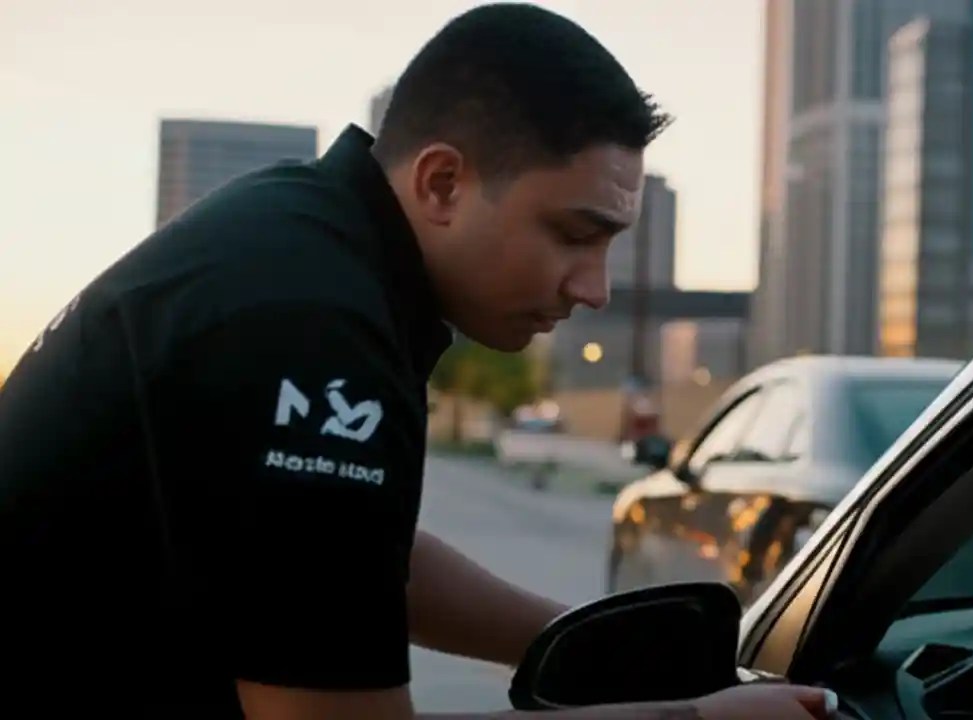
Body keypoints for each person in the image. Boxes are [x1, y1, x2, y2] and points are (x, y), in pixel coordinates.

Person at [0, 3, 838, 719]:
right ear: (441, 184)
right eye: (575, 235)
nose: (596, 288)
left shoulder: (306, 240)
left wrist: (590, 648)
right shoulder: (308, 323)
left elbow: (351, 561)